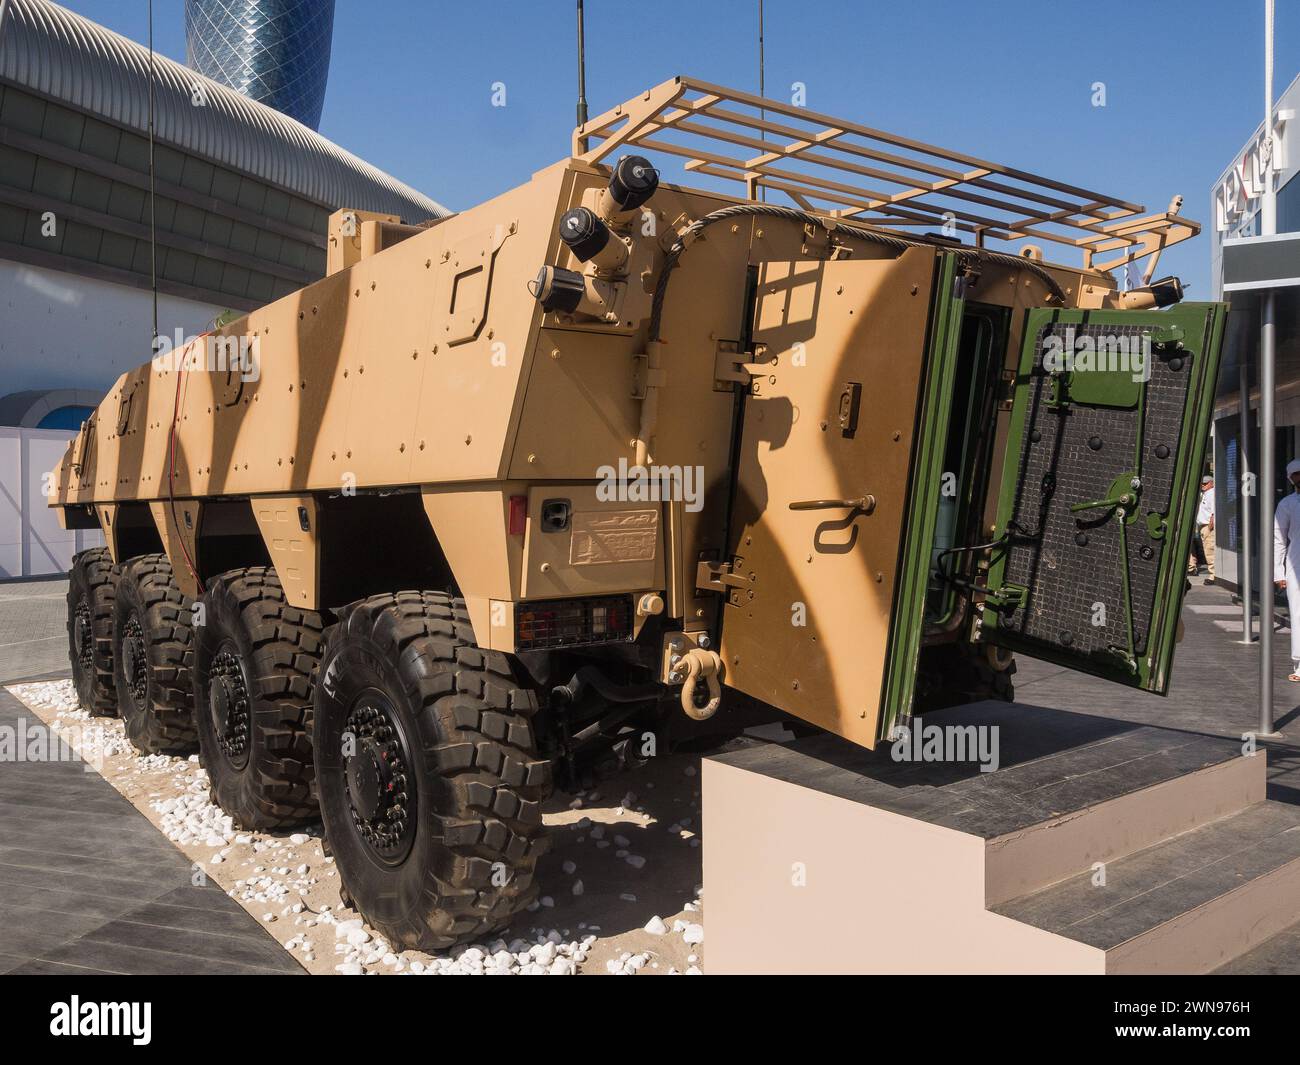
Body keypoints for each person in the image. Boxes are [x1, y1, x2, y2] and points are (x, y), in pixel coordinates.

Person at [1273, 459, 1300, 682]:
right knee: (1298, 614)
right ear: (1292, 478)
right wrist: (1278, 573)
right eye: (1297, 474)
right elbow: (1278, 540)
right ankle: (1299, 664)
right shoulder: (1287, 504)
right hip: (1295, 564)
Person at [1196, 475, 1214, 579]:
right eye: (1202, 483)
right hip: (1204, 526)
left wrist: (1210, 526)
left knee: (1209, 550)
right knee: (1207, 550)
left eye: (1205, 483)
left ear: (1211, 483)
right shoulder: (1205, 493)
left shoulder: (1211, 494)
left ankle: (1213, 575)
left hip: (1208, 526)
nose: (1203, 485)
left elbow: (1213, 511)